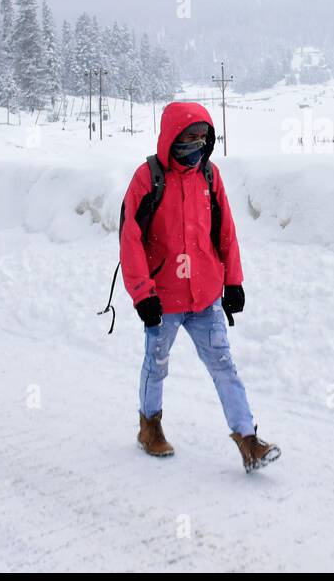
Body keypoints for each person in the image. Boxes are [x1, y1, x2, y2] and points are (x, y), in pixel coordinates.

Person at [119, 101, 280, 473]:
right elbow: (130, 239)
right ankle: (150, 427)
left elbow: (226, 233)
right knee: (156, 365)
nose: (196, 144)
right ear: (171, 138)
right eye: (189, 137)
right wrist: (142, 294)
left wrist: (233, 282)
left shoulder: (210, 176)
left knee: (225, 366)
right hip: (162, 300)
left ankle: (248, 441)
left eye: (202, 137)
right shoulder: (147, 178)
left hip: (205, 297)